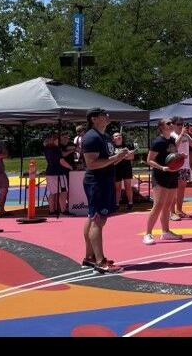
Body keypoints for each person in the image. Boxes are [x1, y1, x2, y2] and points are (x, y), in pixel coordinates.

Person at [81, 108, 132, 273]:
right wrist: (115, 158)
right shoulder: (91, 137)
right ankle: (100, 261)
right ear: (94, 119)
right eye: (103, 115)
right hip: (97, 182)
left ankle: (90, 257)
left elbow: (107, 161)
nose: (107, 117)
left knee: (93, 218)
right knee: (98, 219)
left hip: (104, 180)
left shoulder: (105, 137)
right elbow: (92, 164)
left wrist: (119, 157)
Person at [143, 118, 184, 245]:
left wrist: (180, 157)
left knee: (168, 205)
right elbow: (149, 160)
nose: (171, 125)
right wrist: (162, 167)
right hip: (160, 176)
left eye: (172, 123)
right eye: (168, 123)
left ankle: (166, 232)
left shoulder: (171, 140)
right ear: (161, 127)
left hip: (172, 175)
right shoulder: (158, 142)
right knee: (158, 205)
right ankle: (148, 234)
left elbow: (172, 156)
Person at [170, 118, 192, 221]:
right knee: (173, 190)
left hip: (185, 165)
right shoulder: (172, 135)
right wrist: (181, 134)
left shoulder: (186, 135)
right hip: (175, 166)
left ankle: (179, 210)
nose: (181, 126)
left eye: (182, 124)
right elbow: (174, 146)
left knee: (182, 190)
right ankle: (172, 212)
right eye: (179, 124)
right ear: (173, 125)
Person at [42, 132, 71, 215]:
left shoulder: (46, 149)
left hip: (50, 172)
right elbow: (61, 161)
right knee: (63, 191)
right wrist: (70, 167)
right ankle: (63, 210)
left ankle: (51, 210)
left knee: (52, 192)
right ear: (54, 140)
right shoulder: (56, 149)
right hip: (58, 172)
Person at [112, 132, 135, 211]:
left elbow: (132, 157)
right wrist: (123, 157)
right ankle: (116, 204)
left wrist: (125, 156)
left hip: (126, 168)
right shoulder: (112, 147)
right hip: (116, 169)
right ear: (113, 138)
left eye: (120, 135)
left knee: (128, 186)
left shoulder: (127, 146)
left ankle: (130, 203)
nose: (118, 137)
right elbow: (113, 160)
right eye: (116, 136)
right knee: (117, 188)